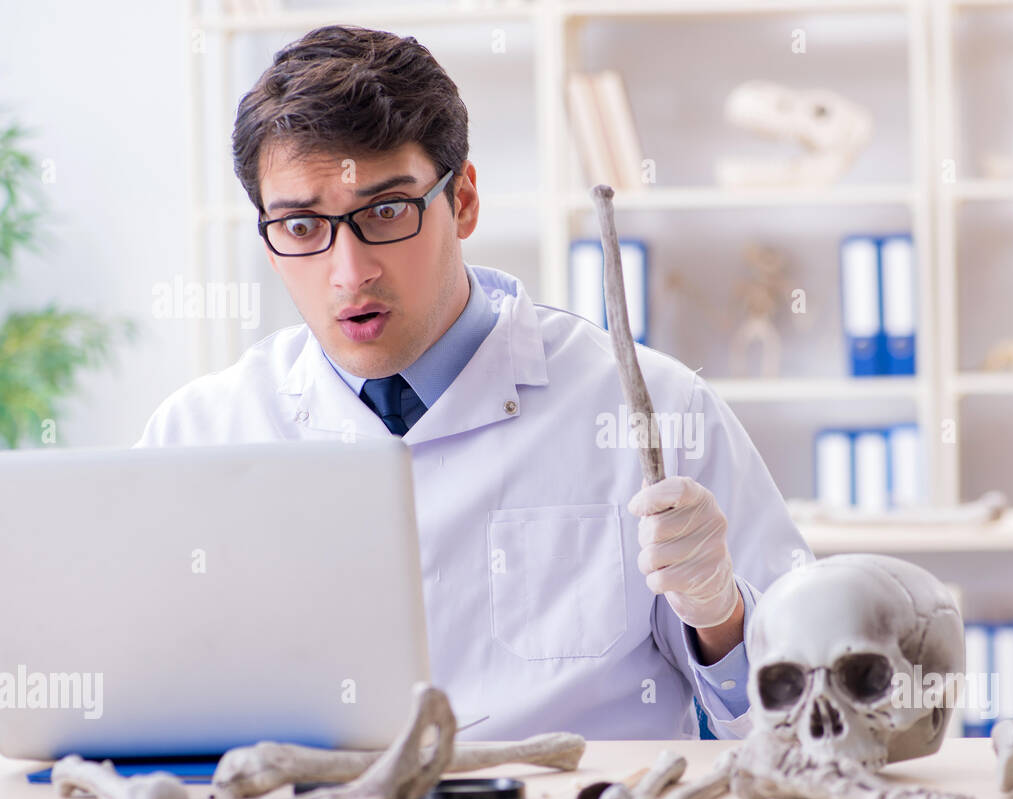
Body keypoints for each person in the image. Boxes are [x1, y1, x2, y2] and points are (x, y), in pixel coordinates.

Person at [134, 25, 810, 741]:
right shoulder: (201, 435)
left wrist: (721, 614)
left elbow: (809, 720)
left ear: (462, 202)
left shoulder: (656, 412)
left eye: (386, 212)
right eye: (302, 226)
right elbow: (133, 702)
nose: (349, 271)